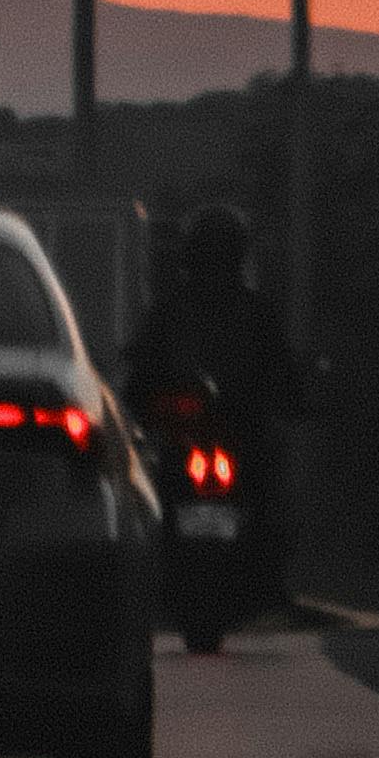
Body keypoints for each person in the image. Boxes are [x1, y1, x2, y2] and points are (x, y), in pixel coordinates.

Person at [123, 198, 303, 604]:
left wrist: (292, 394)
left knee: (272, 488)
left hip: (239, 436)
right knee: (146, 490)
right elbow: (142, 369)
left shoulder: (246, 311)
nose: (215, 269)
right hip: (186, 436)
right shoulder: (178, 310)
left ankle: (266, 575)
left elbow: (285, 371)